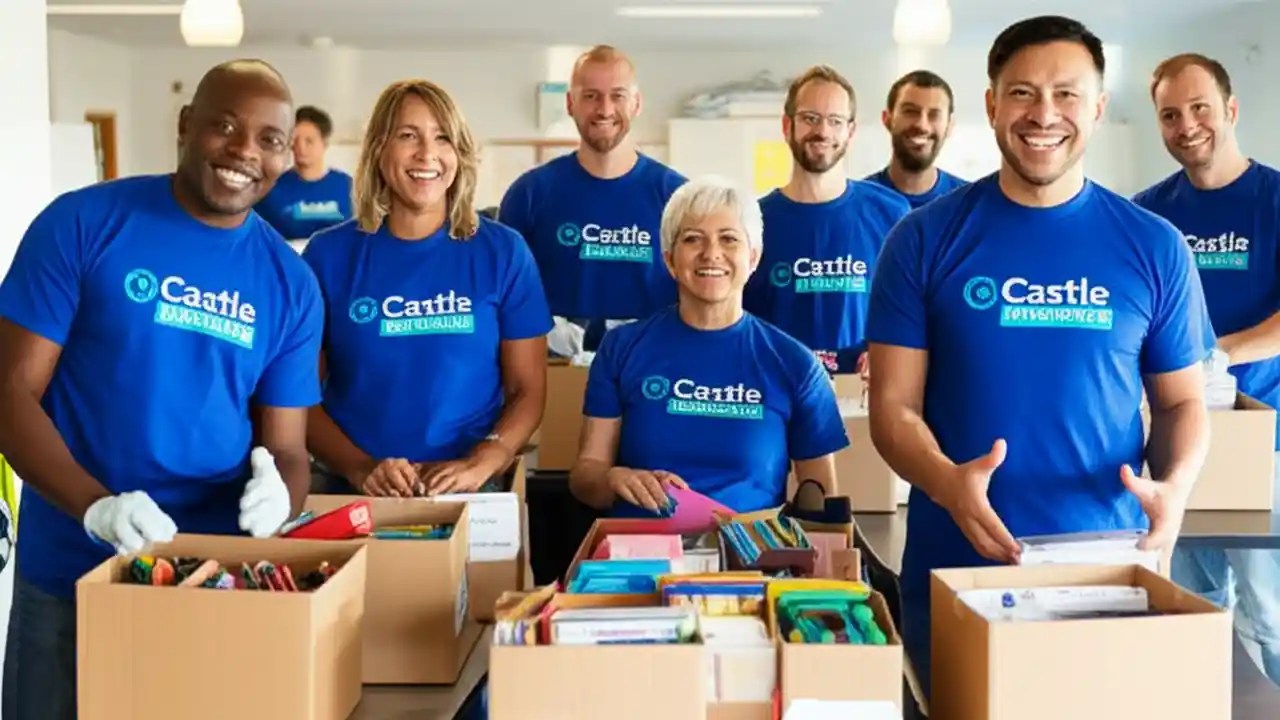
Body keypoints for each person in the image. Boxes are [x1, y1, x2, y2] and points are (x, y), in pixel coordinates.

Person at [864, 16, 1213, 697]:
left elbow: (1181, 401)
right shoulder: (921, 240)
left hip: (1106, 570)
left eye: (1067, 94)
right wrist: (943, 481)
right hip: (957, 567)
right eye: (1022, 93)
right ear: (992, 104)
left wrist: (1175, 488)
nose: (1044, 114)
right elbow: (893, 406)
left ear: (1099, 108)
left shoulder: (1154, 244)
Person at [0, 59, 322, 720]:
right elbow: (8, 393)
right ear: (185, 126)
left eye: (268, 139)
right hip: (70, 571)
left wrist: (281, 499)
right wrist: (95, 507)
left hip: (208, 579)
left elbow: (288, 449)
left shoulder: (290, 283)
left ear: (287, 157)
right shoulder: (83, 224)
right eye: (225, 126)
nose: (243, 151)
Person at [302, 79, 551, 498]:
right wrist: (361, 467)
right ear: (380, 150)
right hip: (354, 488)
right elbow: (299, 395)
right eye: (407, 136)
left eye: (442, 138)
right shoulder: (329, 255)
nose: (427, 154)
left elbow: (528, 389)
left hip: (471, 487)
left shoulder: (503, 252)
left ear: (460, 153)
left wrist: (484, 460)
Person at [568, 175, 849, 515]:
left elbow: (819, 503)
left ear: (754, 258)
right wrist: (613, 479)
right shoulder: (622, 348)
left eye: (729, 239)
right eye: (692, 239)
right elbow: (585, 477)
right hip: (642, 557)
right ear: (670, 259)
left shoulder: (795, 364)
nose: (711, 254)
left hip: (749, 560)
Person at [1132, 52, 1280, 684]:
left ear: (1231, 110)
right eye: (1170, 114)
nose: (1186, 125)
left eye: (1199, 109)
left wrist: (1215, 355)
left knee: (1269, 612)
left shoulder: (1274, 199)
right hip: (1175, 446)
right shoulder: (1148, 213)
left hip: (1263, 444)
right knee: (1191, 606)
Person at [499, 45, 687, 352]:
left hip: (652, 372)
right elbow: (504, 298)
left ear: (636, 103)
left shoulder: (676, 197)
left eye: (618, 95)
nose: (605, 109)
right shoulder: (530, 195)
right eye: (591, 96)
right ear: (570, 103)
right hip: (555, 372)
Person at [743, 65, 910, 380]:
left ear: (850, 131)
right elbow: (736, 321)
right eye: (810, 118)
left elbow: (912, 307)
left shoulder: (891, 213)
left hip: (864, 393)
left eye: (835, 121)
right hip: (779, 395)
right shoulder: (752, 221)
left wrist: (886, 350)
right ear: (787, 125)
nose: (822, 131)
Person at [864, 70, 968, 208]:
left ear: (949, 126)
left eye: (934, 115)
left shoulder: (969, 204)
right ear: (887, 119)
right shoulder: (860, 203)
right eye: (910, 111)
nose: (922, 125)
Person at [255, 105, 354, 241]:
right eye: (295, 140)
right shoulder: (271, 188)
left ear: (324, 143)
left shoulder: (348, 186)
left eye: (309, 141)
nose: (301, 147)